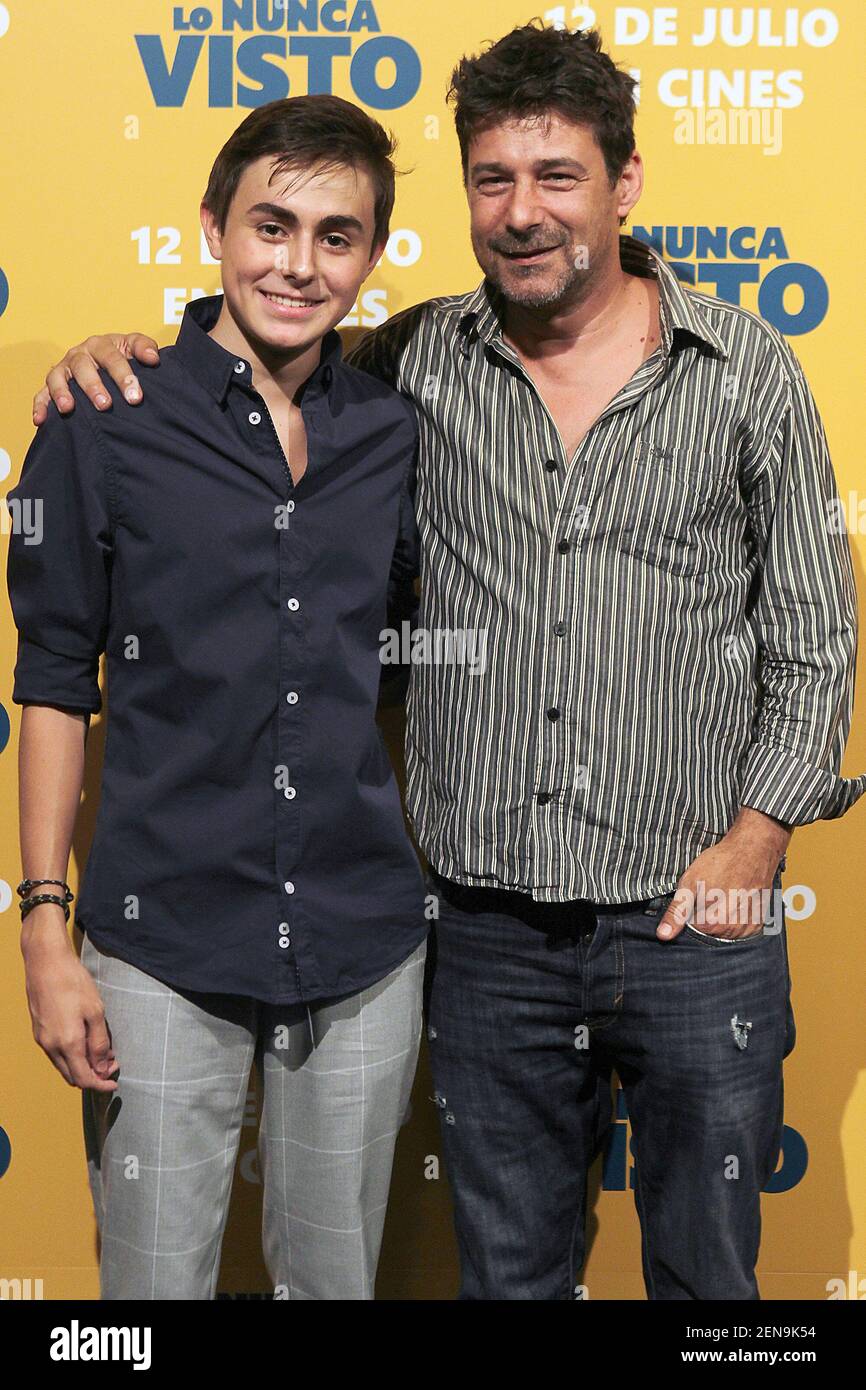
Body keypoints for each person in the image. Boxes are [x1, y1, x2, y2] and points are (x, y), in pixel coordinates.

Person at [29, 22, 866, 1300]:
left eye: (556, 176)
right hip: (484, 930)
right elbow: (245, 395)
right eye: (491, 179)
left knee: (712, 1286)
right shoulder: (411, 362)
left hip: (692, 921)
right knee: (509, 1281)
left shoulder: (741, 369)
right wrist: (110, 355)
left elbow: (815, 640)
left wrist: (753, 842)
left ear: (623, 182)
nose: (521, 212)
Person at [8, 93, 429, 1301]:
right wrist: (46, 921)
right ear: (211, 225)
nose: (298, 265)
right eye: (271, 224)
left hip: (360, 939)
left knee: (334, 1287)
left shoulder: (394, 433)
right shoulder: (106, 420)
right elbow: (49, 681)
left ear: (370, 255)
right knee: (148, 1299)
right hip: (158, 941)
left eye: (336, 236)